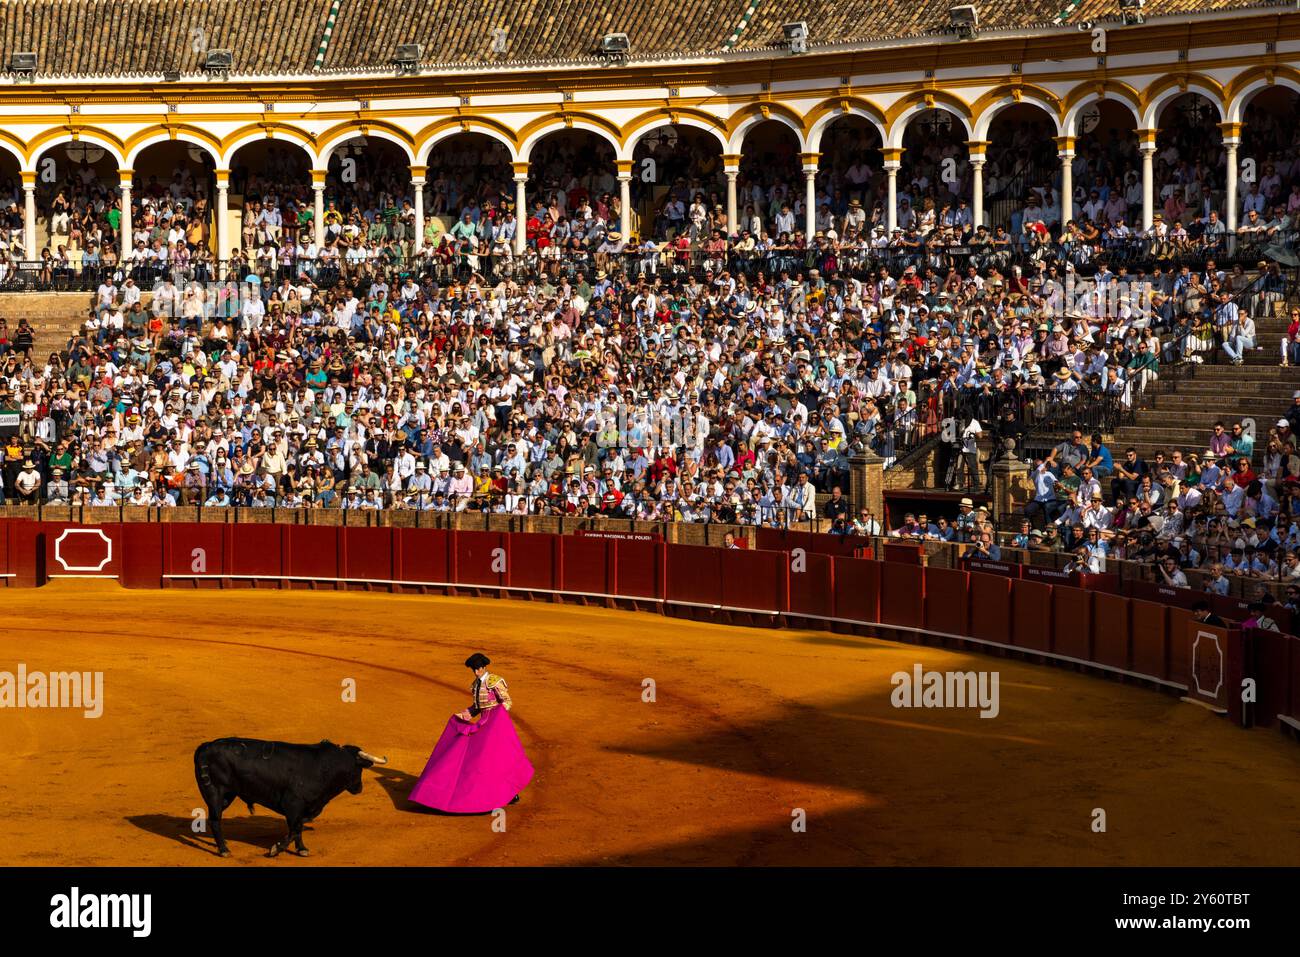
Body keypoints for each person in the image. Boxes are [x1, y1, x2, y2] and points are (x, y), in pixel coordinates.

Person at [408, 653, 534, 813]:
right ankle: (497, 793)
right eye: (473, 669)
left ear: (484, 667)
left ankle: (510, 793)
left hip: (496, 725)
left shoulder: (494, 681)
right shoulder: (475, 684)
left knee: (496, 759)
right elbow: (477, 707)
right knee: (482, 761)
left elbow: (506, 701)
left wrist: (498, 718)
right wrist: (465, 714)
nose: (476, 672)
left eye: (478, 669)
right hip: (483, 724)